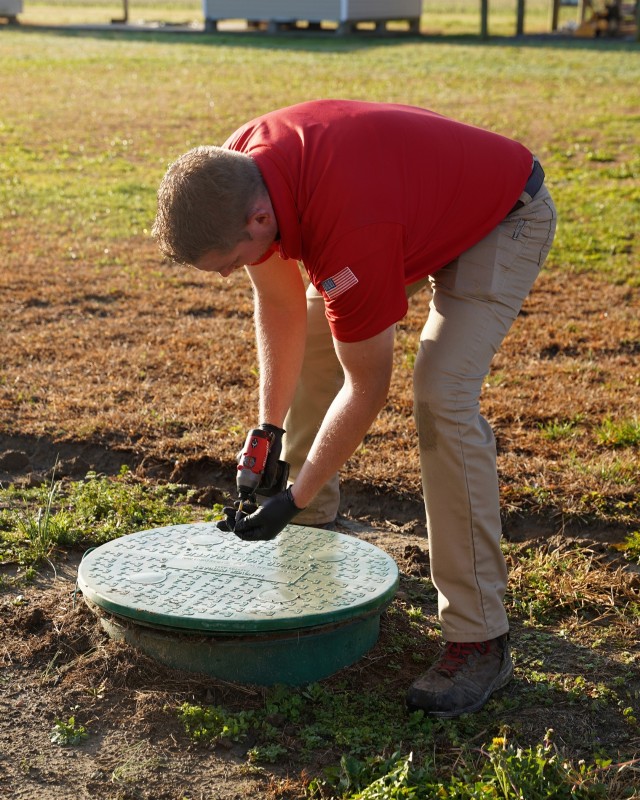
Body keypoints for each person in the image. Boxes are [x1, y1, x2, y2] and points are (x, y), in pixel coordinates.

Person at [152, 99, 557, 718]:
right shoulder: (238, 169)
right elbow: (283, 306)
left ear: (260, 219)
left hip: (501, 219)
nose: (234, 272)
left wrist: (293, 494)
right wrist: (268, 430)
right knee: (319, 332)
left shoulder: (346, 231)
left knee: (440, 395)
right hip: (407, 211)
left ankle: (480, 638)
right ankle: (312, 534)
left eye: (232, 262)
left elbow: (367, 389)